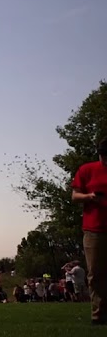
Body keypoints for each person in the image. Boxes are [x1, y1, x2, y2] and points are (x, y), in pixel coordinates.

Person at [71, 135, 107, 325]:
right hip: (94, 229)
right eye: (103, 156)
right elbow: (75, 196)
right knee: (96, 273)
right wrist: (90, 196)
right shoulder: (86, 170)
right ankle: (99, 315)